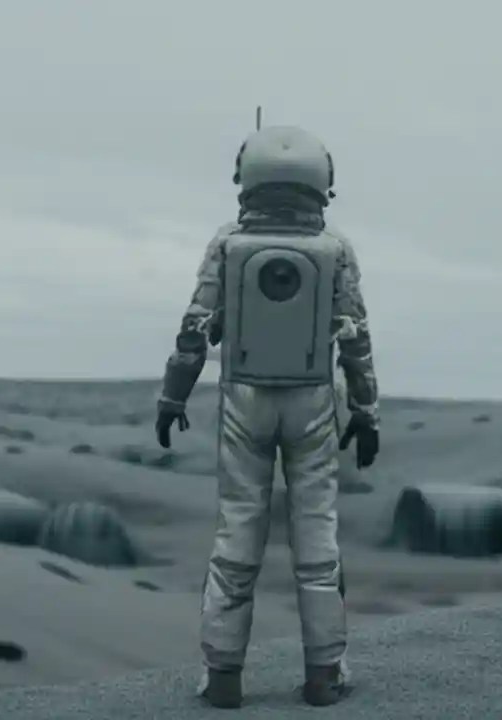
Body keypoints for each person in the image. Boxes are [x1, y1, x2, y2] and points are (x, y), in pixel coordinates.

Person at [154, 124, 380, 709]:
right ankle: (324, 673)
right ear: (322, 182)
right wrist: (365, 409)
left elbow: (195, 328)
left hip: (244, 398)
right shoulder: (336, 249)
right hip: (312, 401)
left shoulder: (227, 244)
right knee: (317, 537)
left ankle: (223, 674)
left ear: (246, 178)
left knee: (237, 532)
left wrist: (173, 397)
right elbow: (355, 336)